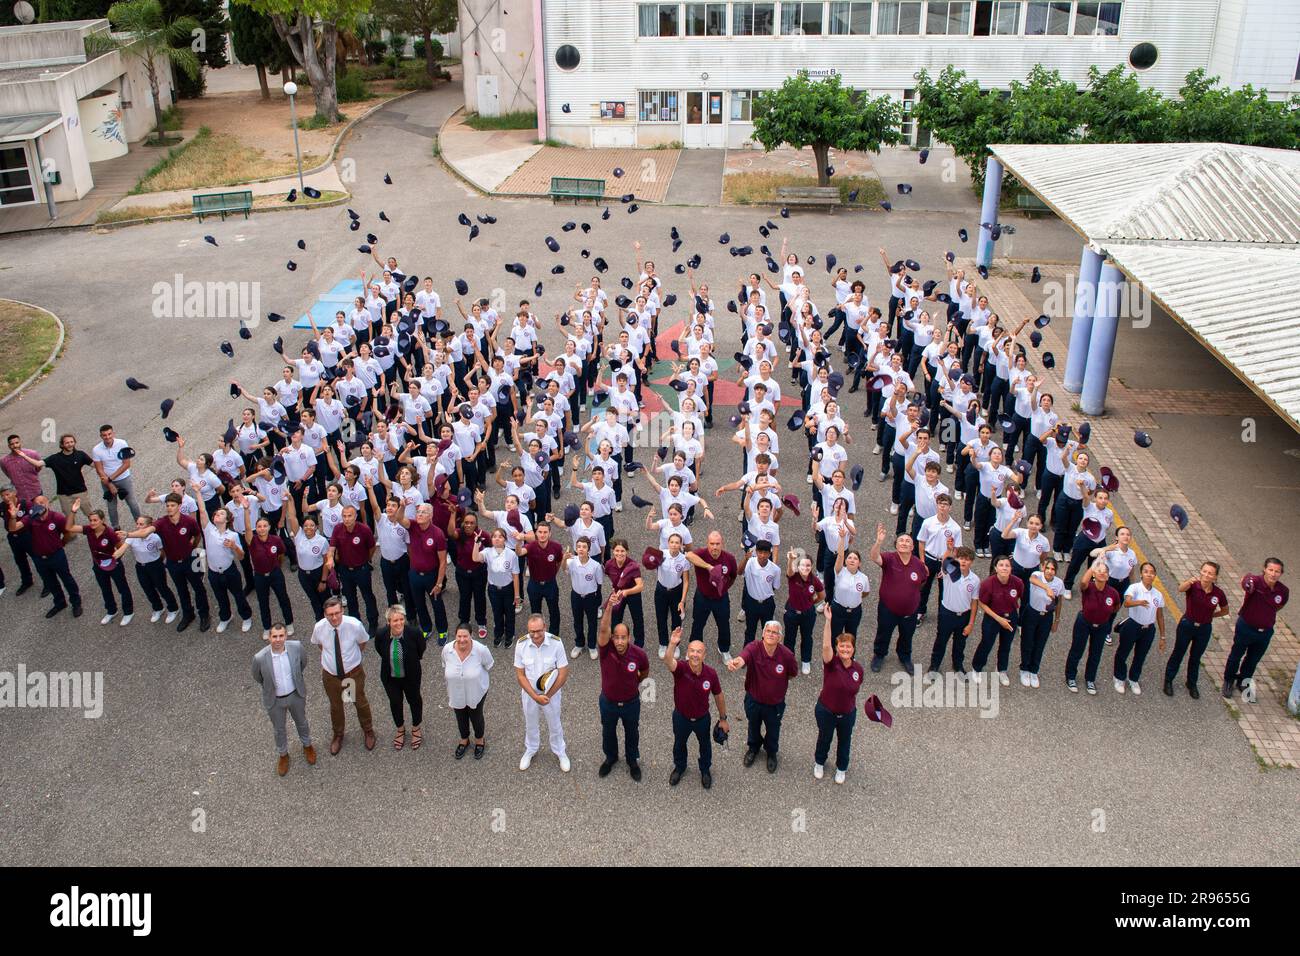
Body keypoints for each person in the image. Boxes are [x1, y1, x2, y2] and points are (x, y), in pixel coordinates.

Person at [726, 619, 796, 773]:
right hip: (754, 700)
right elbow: (743, 657)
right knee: (753, 725)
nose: (771, 634)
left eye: (775, 632)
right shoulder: (754, 647)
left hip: (775, 704)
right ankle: (753, 748)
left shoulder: (787, 655)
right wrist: (736, 662)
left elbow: (792, 674)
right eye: (768, 631)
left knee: (773, 729)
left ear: (780, 637)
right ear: (763, 634)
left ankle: (771, 753)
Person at [664, 626, 729, 789]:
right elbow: (668, 661)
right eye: (692, 651)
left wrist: (723, 719)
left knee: (705, 744)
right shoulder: (680, 669)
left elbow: (718, 696)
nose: (695, 654)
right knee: (679, 743)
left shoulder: (711, 674)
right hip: (681, 717)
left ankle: (705, 770)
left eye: (699, 651)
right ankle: (680, 767)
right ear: (687, 654)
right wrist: (672, 644)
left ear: (704, 655)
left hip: (702, 718)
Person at [311, 596, 376, 753]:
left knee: (359, 702)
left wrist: (349, 661)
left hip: (352, 674)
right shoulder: (319, 627)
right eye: (330, 614)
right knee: (336, 706)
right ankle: (338, 734)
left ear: (342, 611)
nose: (334, 617)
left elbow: (362, 643)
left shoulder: (354, 625)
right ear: (325, 614)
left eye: (337, 613)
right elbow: (320, 645)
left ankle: (368, 729)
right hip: (331, 676)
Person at [596, 591, 649, 780]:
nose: (619, 641)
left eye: (623, 637)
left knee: (632, 732)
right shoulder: (605, 649)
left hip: (631, 703)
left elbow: (644, 672)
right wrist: (609, 606)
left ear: (629, 637)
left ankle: (632, 760)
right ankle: (610, 758)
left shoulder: (639, 654)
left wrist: (636, 681)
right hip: (608, 702)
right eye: (616, 637)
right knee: (608, 731)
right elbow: (603, 629)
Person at [251, 623, 317, 776]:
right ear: (269, 637)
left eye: (281, 636)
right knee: (279, 729)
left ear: (286, 636)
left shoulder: (296, 647)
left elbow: (302, 663)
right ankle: (283, 754)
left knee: (302, 722)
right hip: (275, 700)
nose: (278, 640)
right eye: (274, 636)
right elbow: (258, 677)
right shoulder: (259, 658)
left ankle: (307, 745)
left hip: (296, 695)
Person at [140, 493, 210, 632]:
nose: (169, 508)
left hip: (190, 560)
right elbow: (146, 532)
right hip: (172, 563)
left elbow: (197, 535)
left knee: (198, 588)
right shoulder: (161, 522)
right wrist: (129, 535)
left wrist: (192, 547)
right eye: (167, 506)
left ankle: (204, 614)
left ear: (179, 506)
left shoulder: (189, 521)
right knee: (181, 589)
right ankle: (188, 614)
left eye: (172, 505)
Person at [814, 603, 866, 784]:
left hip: (847, 713)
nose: (845, 650)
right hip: (826, 710)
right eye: (842, 647)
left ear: (853, 649)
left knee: (845, 742)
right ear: (837, 648)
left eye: (848, 647)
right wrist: (828, 622)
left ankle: (841, 768)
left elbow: (855, 688)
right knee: (824, 738)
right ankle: (819, 762)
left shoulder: (858, 669)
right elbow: (826, 645)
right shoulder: (831, 662)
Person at [1222, 558, 1288, 700]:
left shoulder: (1283, 591)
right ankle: (1228, 680)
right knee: (1236, 656)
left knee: (1253, 659)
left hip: (1265, 632)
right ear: (1264, 569)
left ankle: (1243, 682)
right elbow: (1246, 581)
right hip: (1246, 627)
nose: (1273, 574)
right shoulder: (1255, 582)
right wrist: (1247, 582)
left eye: (1277, 571)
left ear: (1281, 573)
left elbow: (1279, 606)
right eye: (1270, 570)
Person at [7, 496, 82, 619]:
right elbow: (12, 528)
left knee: (66, 579)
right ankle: (60, 603)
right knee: (50, 582)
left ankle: (76, 603)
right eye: (36, 503)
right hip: (39, 558)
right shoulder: (31, 518)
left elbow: (68, 532)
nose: (39, 505)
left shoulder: (57, 517)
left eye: (42, 502)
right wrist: (13, 517)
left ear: (47, 503)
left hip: (56, 555)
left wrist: (61, 543)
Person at [868, 524, 928, 675]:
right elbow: (874, 557)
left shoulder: (919, 565)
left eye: (907, 541)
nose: (904, 543)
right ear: (896, 545)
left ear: (912, 546)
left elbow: (922, 581)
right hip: (887, 608)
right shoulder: (889, 558)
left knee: (907, 635)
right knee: (883, 632)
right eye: (901, 540)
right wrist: (878, 542)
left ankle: (905, 657)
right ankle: (879, 655)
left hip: (910, 610)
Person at [514, 612, 570, 772]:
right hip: (529, 693)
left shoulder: (556, 643)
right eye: (532, 631)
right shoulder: (521, 644)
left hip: (551, 693)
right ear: (528, 630)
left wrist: (548, 695)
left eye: (539, 630)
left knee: (554, 723)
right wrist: (534, 696)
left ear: (545, 627)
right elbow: (520, 675)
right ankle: (531, 749)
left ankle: (560, 751)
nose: (536, 635)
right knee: (530, 723)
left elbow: (563, 672)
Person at [1164, 561, 1229, 699]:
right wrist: (1188, 581)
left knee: (1195, 657)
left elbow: (1225, 610)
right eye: (1204, 571)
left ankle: (1191, 683)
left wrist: (1212, 615)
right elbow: (1180, 589)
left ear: (1215, 577)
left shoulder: (1218, 593)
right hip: (1187, 625)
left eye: (1210, 573)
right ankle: (1168, 680)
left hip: (1204, 628)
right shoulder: (1193, 586)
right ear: (1200, 571)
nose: (1206, 575)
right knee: (1178, 653)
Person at [193, 493, 254, 634]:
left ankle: (246, 616)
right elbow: (202, 511)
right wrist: (197, 492)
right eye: (216, 514)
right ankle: (225, 617)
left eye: (220, 514)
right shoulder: (208, 530)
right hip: (214, 572)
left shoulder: (233, 536)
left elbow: (241, 556)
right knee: (220, 597)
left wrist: (234, 547)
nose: (216, 515)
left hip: (229, 571)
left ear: (227, 520)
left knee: (238, 595)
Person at [65, 501, 133, 625]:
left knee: (122, 588)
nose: (92, 523)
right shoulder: (88, 530)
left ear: (102, 520)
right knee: (105, 589)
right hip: (98, 565)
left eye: (95, 520)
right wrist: (73, 511)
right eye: (91, 520)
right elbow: (69, 527)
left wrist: (114, 560)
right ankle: (111, 611)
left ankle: (128, 612)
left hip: (114, 566)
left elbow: (121, 547)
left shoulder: (110, 533)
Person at [373, 604, 427, 751]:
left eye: (401, 619)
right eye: (394, 620)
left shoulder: (414, 633)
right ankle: (400, 728)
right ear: (388, 622)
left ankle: (416, 728)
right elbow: (380, 650)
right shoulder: (381, 634)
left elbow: (420, 650)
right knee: (395, 702)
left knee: (414, 700)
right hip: (390, 677)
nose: (399, 623)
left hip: (411, 676)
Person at [1065, 560, 1121, 695]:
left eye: (1105, 571)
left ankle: (1090, 679)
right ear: (1094, 574)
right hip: (1084, 622)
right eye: (1099, 571)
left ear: (1108, 576)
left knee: (1095, 653)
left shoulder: (1113, 593)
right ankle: (1070, 676)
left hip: (1102, 626)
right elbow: (1083, 582)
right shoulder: (1088, 587)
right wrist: (1093, 566)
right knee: (1077, 650)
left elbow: (1116, 607)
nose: (1102, 573)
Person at [683, 530, 740, 662]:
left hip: (721, 599)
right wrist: (709, 567)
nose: (715, 547)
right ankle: (694, 649)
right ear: (707, 544)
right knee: (698, 624)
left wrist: (724, 588)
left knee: (724, 625)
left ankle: (724, 649)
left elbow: (733, 576)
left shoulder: (729, 558)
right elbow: (688, 555)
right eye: (712, 543)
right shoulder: (701, 554)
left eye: (717, 544)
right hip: (702, 597)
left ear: (722, 544)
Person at [242, 503, 295, 640]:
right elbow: (247, 528)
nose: (262, 528)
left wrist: (276, 565)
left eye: (265, 526)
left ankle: (289, 623)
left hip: (275, 573)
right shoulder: (252, 540)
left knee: (283, 598)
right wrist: (246, 510)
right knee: (263, 602)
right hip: (259, 576)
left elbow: (281, 554)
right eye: (259, 526)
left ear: (269, 527)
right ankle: (267, 627)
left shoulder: (276, 540)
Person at [969, 555, 1024, 686]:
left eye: (1007, 565)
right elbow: (982, 603)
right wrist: (999, 618)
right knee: (987, 643)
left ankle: (1001, 669)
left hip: (1010, 617)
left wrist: (1011, 615)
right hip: (992, 618)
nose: (1004, 568)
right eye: (1001, 565)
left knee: (1006, 645)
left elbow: (1020, 598)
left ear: (1011, 568)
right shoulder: (988, 584)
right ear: (995, 568)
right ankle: (977, 668)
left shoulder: (1017, 582)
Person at [1113, 561, 1166, 695]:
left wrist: (1162, 636)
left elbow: (1160, 615)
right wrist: (1139, 602)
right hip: (1133, 625)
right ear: (1141, 574)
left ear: (1155, 576)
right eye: (1146, 571)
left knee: (1141, 655)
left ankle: (1133, 678)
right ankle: (1119, 677)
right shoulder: (1135, 588)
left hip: (1148, 629)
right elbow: (1127, 603)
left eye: (1152, 572)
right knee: (1123, 652)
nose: (1149, 574)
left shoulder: (1158, 595)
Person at [325, 505, 379, 634]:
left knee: (367, 596)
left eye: (350, 516)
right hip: (345, 570)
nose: (347, 519)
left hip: (361, 569)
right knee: (350, 597)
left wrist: (366, 559)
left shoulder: (364, 530)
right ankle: (355, 622)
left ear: (355, 516)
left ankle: (373, 622)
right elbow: (331, 548)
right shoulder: (338, 529)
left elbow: (372, 548)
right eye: (344, 516)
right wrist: (330, 558)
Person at [928, 547, 980, 679]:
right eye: (961, 558)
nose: (963, 562)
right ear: (956, 560)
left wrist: (971, 623)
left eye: (967, 559)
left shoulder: (975, 580)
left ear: (972, 562)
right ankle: (934, 666)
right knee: (941, 641)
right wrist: (949, 550)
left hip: (964, 616)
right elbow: (944, 561)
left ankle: (958, 666)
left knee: (960, 643)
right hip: (947, 614)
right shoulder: (948, 572)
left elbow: (974, 602)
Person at [443, 623, 493, 759]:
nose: (462, 639)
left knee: (476, 717)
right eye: (459, 636)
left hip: (476, 691)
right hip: (456, 691)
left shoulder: (481, 650)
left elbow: (488, 665)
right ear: (455, 636)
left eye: (465, 636)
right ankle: (464, 739)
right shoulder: (447, 650)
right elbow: (445, 664)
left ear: (471, 635)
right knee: (460, 716)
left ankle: (479, 740)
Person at [1019, 556, 1064, 687]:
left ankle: (1034, 670)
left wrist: (1057, 619)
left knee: (1040, 643)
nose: (1050, 571)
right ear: (1043, 568)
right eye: (1048, 568)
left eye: (1053, 569)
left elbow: (1059, 602)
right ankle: (1024, 669)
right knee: (1027, 641)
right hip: (1032, 613)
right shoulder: (1037, 575)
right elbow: (1031, 579)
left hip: (1047, 616)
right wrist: (1047, 588)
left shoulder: (1059, 583)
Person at [90, 424, 142, 527]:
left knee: (132, 502)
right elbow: (99, 470)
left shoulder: (122, 443)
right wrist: (109, 484)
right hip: (106, 481)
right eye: (104, 435)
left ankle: (141, 524)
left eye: (109, 434)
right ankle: (116, 528)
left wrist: (110, 479)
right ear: (101, 436)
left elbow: (126, 464)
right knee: (111, 506)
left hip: (123, 478)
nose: (108, 437)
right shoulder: (96, 449)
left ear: (113, 433)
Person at [783, 551, 824, 674]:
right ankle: (789, 661)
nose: (805, 568)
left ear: (811, 567)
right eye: (803, 565)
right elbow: (789, 571)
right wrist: (790, 559)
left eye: (808, 565)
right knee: (790, 637)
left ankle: (806, 660)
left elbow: (821, 595)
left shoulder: (814, 580)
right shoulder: (793, 576)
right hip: (792, 612)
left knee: (807, 637)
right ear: (798, 566)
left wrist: (812, 602)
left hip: (808, 614)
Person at [43, 434, 94, 516]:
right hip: (64, 495)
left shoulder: (80, 455)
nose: (70, 444)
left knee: (90, 514)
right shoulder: (55, 458)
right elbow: (39, 463)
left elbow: (95, 465)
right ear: (62, 445)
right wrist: (24, 456)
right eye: (67, 443)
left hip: (80, 492)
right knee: (69, 519)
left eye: (72, 442)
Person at [2, 434, 44, 504]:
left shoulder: (33, 454)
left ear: (20, 442)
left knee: (41, 513)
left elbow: (39, 468)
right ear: (9, 446)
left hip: (35, 491)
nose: (15, 445)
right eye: (12, 444)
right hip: (20, 496)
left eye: (17, 443)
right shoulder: (4, 461)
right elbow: (9, 475)